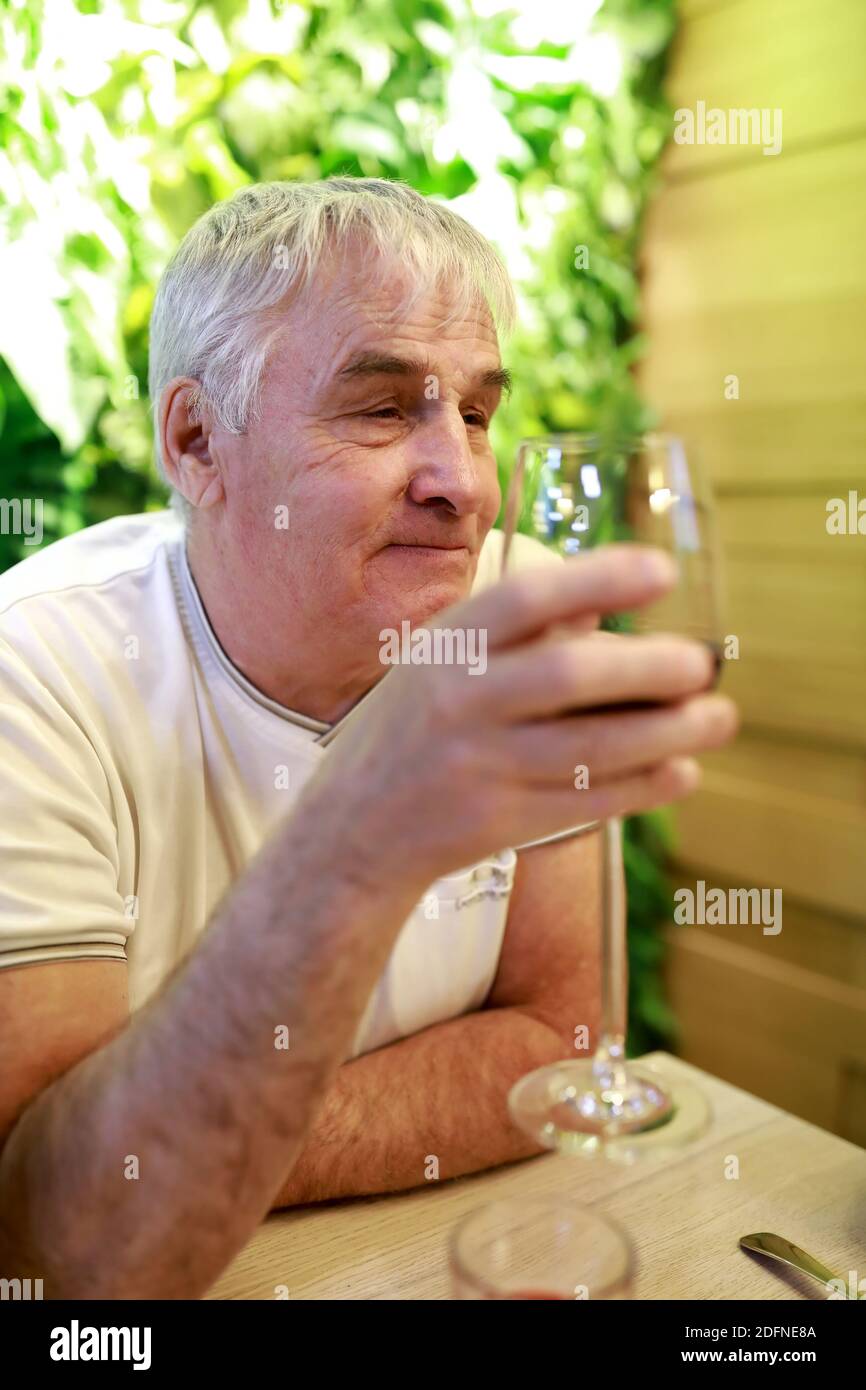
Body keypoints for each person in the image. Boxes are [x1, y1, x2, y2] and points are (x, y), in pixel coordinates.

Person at [0, 178, 737, 1298]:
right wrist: (360, 830)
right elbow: (57, 1234)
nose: (462, 485)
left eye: (477, 413)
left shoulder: (521, 617)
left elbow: (560, 1041)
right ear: (197, 441)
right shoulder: (36, 670)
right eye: (384, 408)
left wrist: (211, 1144)